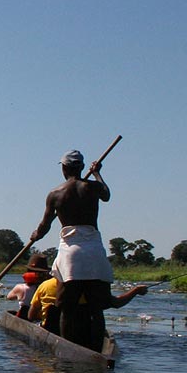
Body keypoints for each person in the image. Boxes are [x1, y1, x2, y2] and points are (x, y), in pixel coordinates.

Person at [29, 149, 114, 351]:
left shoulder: (55, 194)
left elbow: (45, 226)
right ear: (82, 167)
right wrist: (97, 173)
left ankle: (67, 350)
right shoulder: (92, 187)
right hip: (94, 250)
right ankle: (96, 348)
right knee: (96, 307)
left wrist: (35, 236)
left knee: (66, 307)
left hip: (70, 253)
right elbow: (107, 195)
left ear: (64, 168)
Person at [7, 254, 51, 318]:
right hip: (43, 318)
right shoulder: (48, 286)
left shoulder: (20, 288)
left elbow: (9, 297)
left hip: (25, 317)